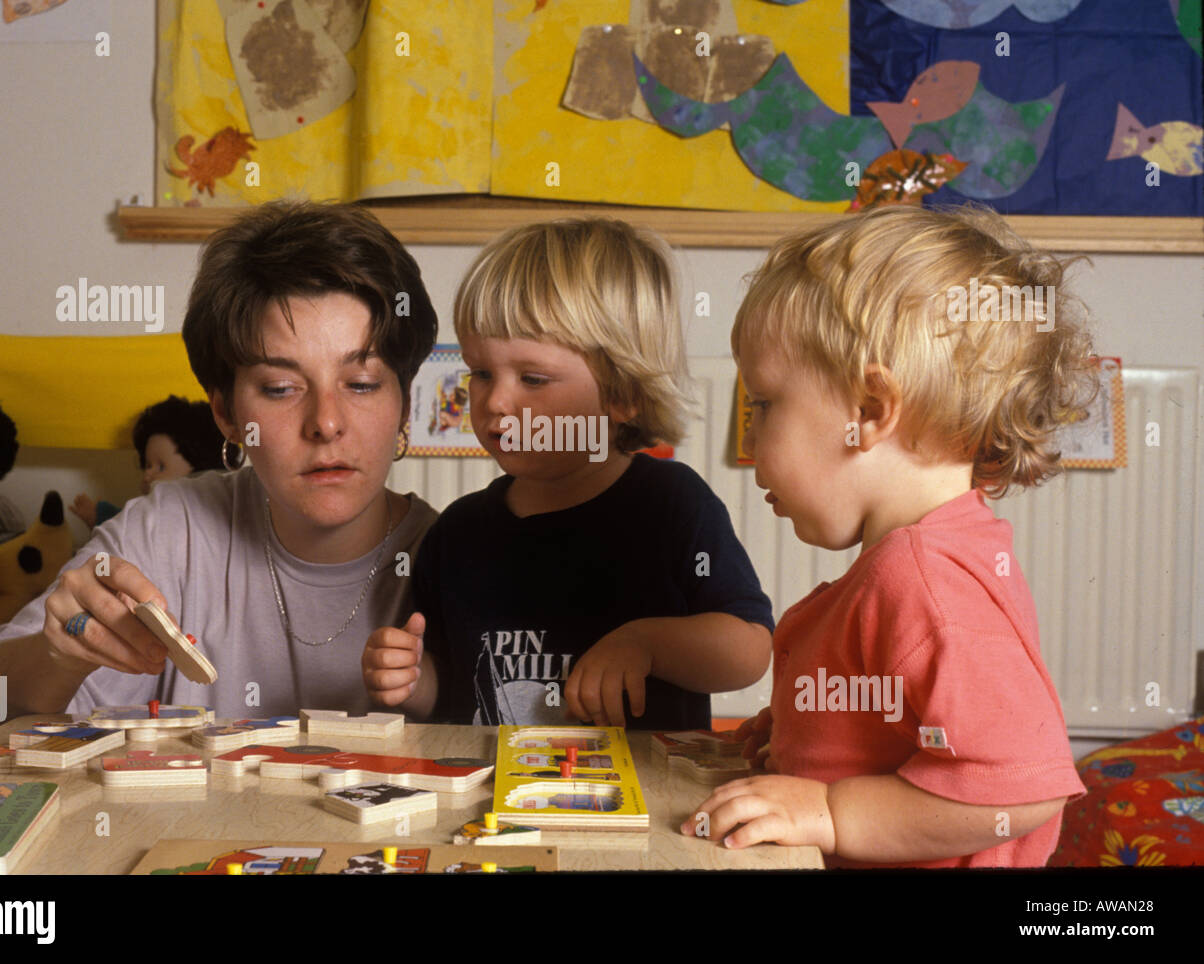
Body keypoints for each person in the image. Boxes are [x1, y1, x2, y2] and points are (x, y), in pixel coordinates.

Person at [682, 204, 1094, 867]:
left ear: (870, 411)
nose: (751, 440)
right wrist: (793, 738)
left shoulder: (924, 576)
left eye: (763, 405)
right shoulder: (922, 555)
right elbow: (897, 724)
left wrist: (831, 813)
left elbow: (1022, 787)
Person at [0, 201, 439, 736]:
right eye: (280, 389)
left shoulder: (462, 555)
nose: (326, 423)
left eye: (362, 383)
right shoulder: (169, 531)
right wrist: (59, 657)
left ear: (405, 403)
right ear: (227, 415)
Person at [363, 218, 774, 729]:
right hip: (496, 801)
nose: (495, 401)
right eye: (481, 372)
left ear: (624, 393)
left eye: (533, 378)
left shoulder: (672, 507)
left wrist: (646, 643)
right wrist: (409, 680)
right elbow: (450, 692)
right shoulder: (457, 532)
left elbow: (750, 648)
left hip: (642, 802)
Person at [70, 395, 224, 527]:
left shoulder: (208, 515)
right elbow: (127, 525)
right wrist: (98, 516)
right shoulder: (148, 513)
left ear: (199, 471)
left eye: (161, 467)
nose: (148, 473)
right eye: (148, 465)